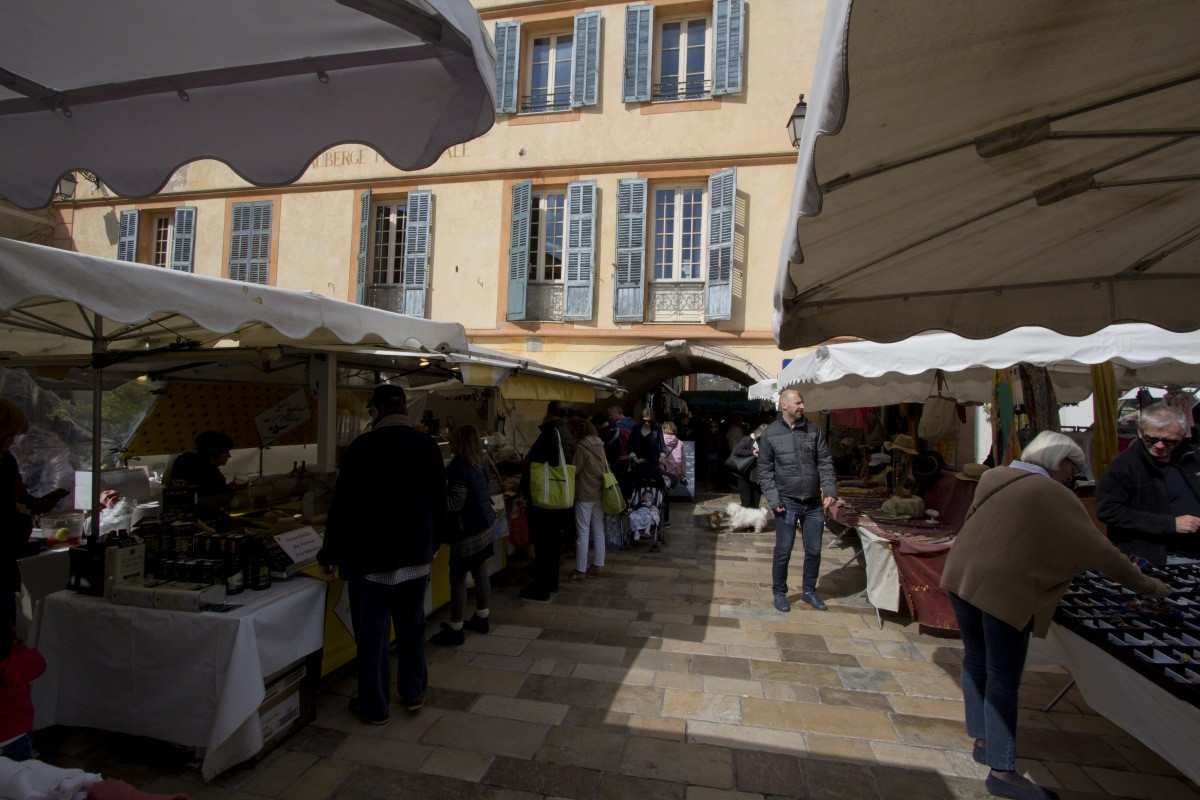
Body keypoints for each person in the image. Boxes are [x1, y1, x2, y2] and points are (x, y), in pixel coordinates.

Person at [941, 431, 1170, 800]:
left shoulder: (994, 476)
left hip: (961, 576)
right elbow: (1102, 552)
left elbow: (992, 526)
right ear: (1058, 461)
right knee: (1002, 677)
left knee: (977, 660)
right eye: (1072, 468)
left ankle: (984, 740)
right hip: (1003, 589)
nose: (1072, 476)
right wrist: (1150, 587)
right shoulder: (1051, 492)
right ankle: (1002, 771)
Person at [317, 385, 446, 723]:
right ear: (405, 408)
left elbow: (342, 506)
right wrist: (434, 543)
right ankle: (414, 692)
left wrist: (329, 553)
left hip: (372, 561)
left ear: (376, 410)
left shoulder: (362, 446)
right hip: (416, 558)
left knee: (373, 638)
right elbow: (440, 499)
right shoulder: (426, 445)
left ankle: (374, 706)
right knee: (412, 626)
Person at [757, 389, 837, 613]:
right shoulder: (770, 434)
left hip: (813, 502)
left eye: (802, 402)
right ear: (784, 405)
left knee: (814, 550)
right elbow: (765, 471)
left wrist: (830, 489)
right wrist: (774, 500)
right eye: (798, 403)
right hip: (787, 501)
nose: (802, 406)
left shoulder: (813, 430)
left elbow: (825, 461)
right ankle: (779, 592)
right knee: (783, 550)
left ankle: (809, 591)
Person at [1095, 402, 1200, 564]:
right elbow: (1108, 510)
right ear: (1140, 432)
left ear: (1181, 436)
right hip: (1157, 558)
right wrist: (1170, 524)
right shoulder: (1125, 466)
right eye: (1152, 439)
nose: (1159, 445)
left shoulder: (1193, 456)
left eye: (1169, 441)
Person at [431, 425, 497, 646]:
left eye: (453, 441)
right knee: (480, 572)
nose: (450, 444)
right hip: (483, 526)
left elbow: (455, 503)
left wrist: (434, 498)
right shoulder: (482, 461)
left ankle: (456, 627)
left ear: (462, 444)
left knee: (458, 578)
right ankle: (482, 617)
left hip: (466, 531)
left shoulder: (460, 468)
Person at [1, 398, 62, 627]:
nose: (12, 441)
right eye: (10, 435)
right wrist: (20, 517)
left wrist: (36, 505)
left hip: (7, 565)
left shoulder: (7, 460)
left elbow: (19, 495)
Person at [519, 400, 576, 602]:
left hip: (545, 498)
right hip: (559, 497)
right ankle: (552, 582)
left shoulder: (550, 433)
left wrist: (524, 488)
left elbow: (535, 464)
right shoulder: (566, 433)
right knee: (553, 544)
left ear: (548, 413)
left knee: (543, 544)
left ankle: (542, 588)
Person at [564, 416, 607, 582]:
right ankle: (598, 566)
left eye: (572, 431)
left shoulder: (582, 447)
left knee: (582, 532)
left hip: (585, 493)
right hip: (599, 491)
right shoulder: (599, 443)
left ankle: (580, 570)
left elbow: (574, 470)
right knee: (598, 531)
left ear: (578, 431)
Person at [167, 430, 246, 516]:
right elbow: (215, 499)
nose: (229, 456)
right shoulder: (212, 474)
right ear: (213, 454)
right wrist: (233, 488)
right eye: (226, 452)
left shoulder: (183, 461)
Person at [0, 619, 45, 761]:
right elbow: (39, 663)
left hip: (12, 737)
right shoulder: (18, 659)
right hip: (14, 737)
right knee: (20, 772)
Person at [730, 423, 767, 509]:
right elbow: (736, 451)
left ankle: (753, 517)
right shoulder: (748, 439)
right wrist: (751, 453)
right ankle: (745, 518)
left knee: (755, 504)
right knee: (746, 503)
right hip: (744, 475)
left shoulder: (767, 443)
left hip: (757, 477)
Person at [659, 420, 686, 526]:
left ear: (665, 429)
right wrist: (682, 476)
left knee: (657, 495)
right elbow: (683, 461)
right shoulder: (679, 443)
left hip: (661, 472)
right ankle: (666, 521)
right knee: (666, 497)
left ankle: (656, 519)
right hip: (672, 476)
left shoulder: (659, 441)